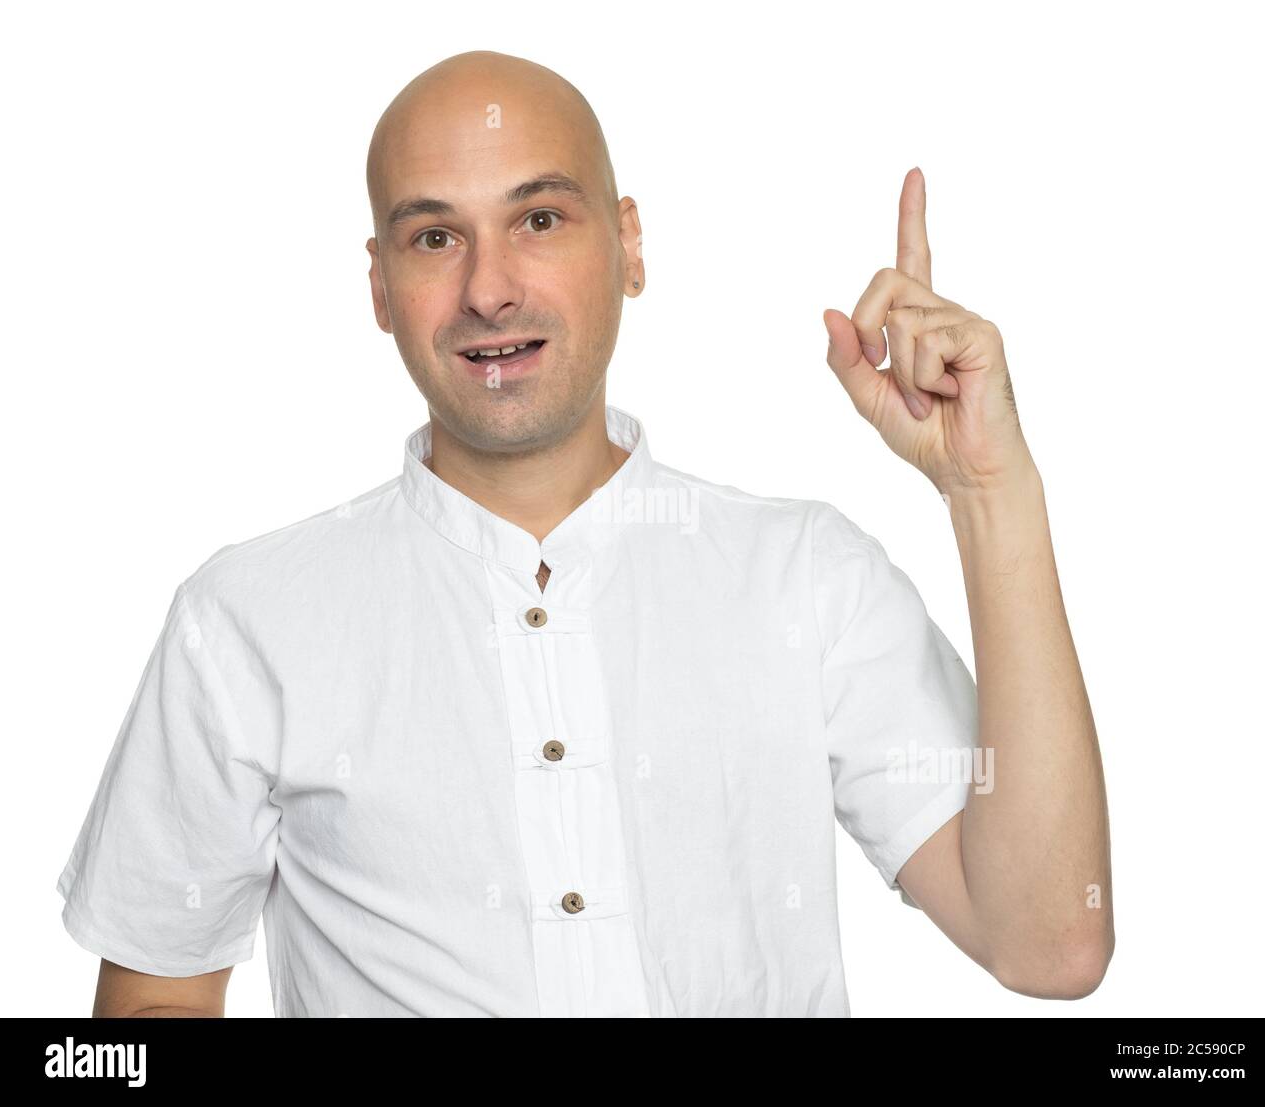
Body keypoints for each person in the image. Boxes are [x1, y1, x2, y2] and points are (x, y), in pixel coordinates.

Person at [56, 50, 1113, 1018]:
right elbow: (152, 1011)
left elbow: (1049, 945)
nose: (488, 288)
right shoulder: (246, 620)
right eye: (434, 237)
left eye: (540, 220)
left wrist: (989, 490)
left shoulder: (804, 580)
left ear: (631, 246)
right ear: (380, 288)